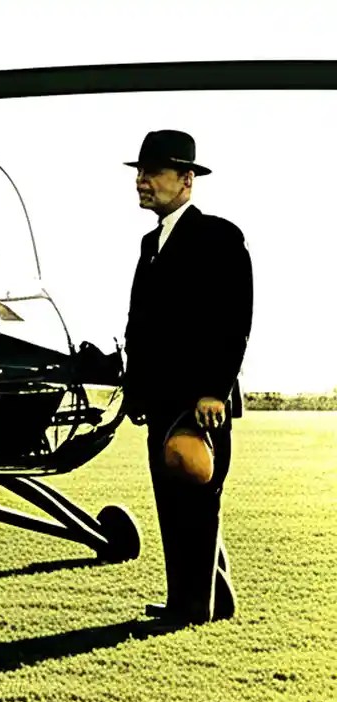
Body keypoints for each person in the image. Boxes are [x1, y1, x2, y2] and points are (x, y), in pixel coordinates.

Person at [120, 129, 254, 626]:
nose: (142, 181)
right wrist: (136, 388)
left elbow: (234, 318)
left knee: (195, 497)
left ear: (187, 180)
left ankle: (192, 609)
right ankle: (207, 600)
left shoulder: (219, 235)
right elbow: (143, 324)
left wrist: (214, 389)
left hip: (200, 400)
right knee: (177, 503)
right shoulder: (149, 243)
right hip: (160, 398)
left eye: (153, 172)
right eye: (140, 172)